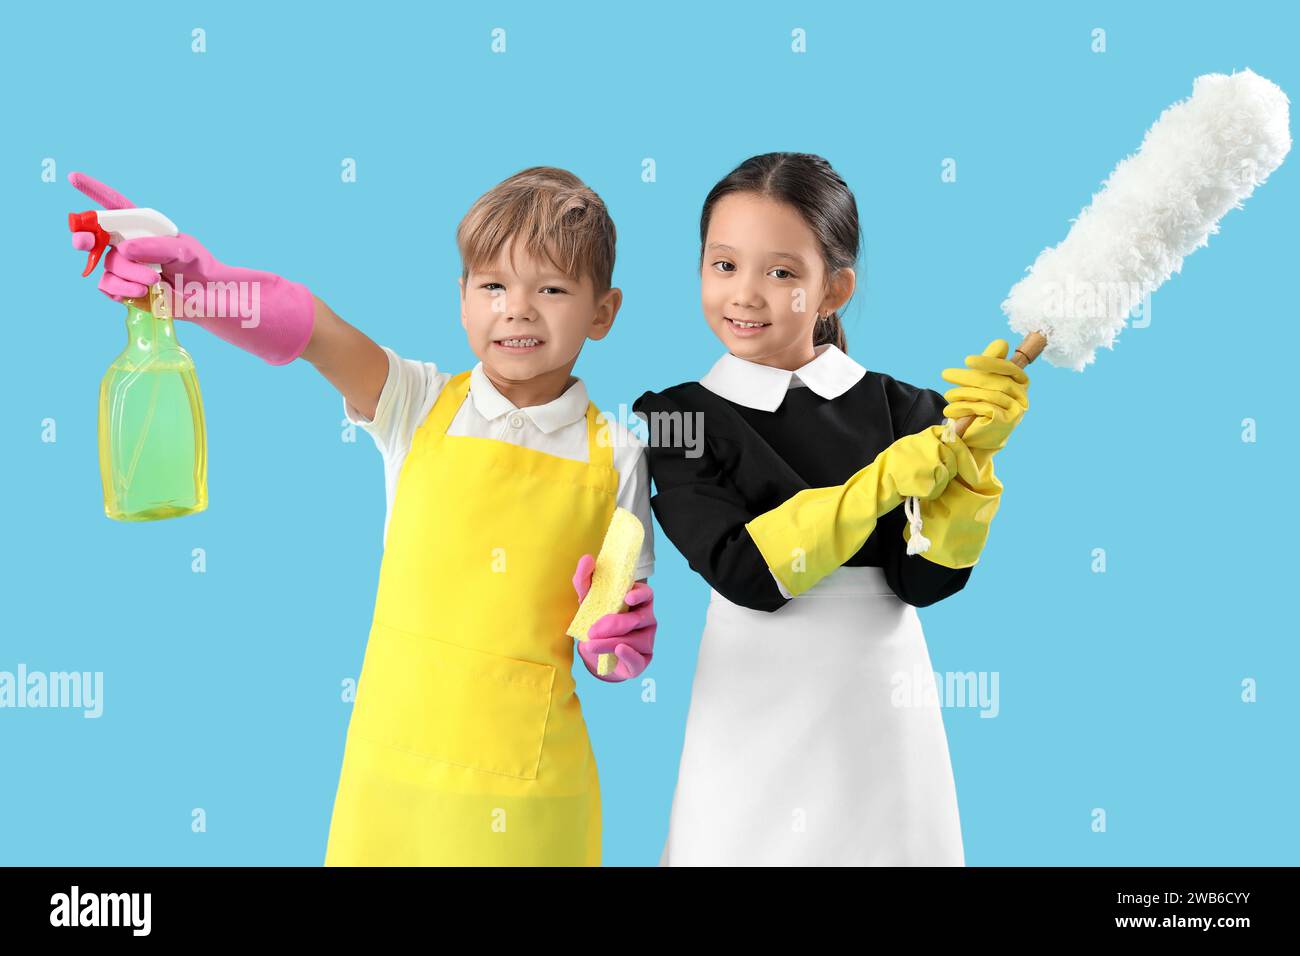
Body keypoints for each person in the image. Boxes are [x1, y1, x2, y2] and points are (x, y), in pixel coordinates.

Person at [69, 167, 659, 866]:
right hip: (394, 790)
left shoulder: (616, 454)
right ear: (462, 298)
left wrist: (615, 650)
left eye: (552, 288)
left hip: (534, 809)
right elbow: (313, 329)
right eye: (493, 285)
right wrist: (200, 287)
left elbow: (613, 625)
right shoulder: (418, 403)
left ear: (604, 310)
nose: (518, 309)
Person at [632, 152, 1030, 866]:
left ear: (834, 288)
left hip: (880, 714)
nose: (745, 294)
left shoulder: (909, 411)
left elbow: (925, 583)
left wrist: (972, 469)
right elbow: (745, 572)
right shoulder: (677, 417)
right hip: (748, 713)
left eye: (780, 272)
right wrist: (878, 486)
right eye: (723, 265)